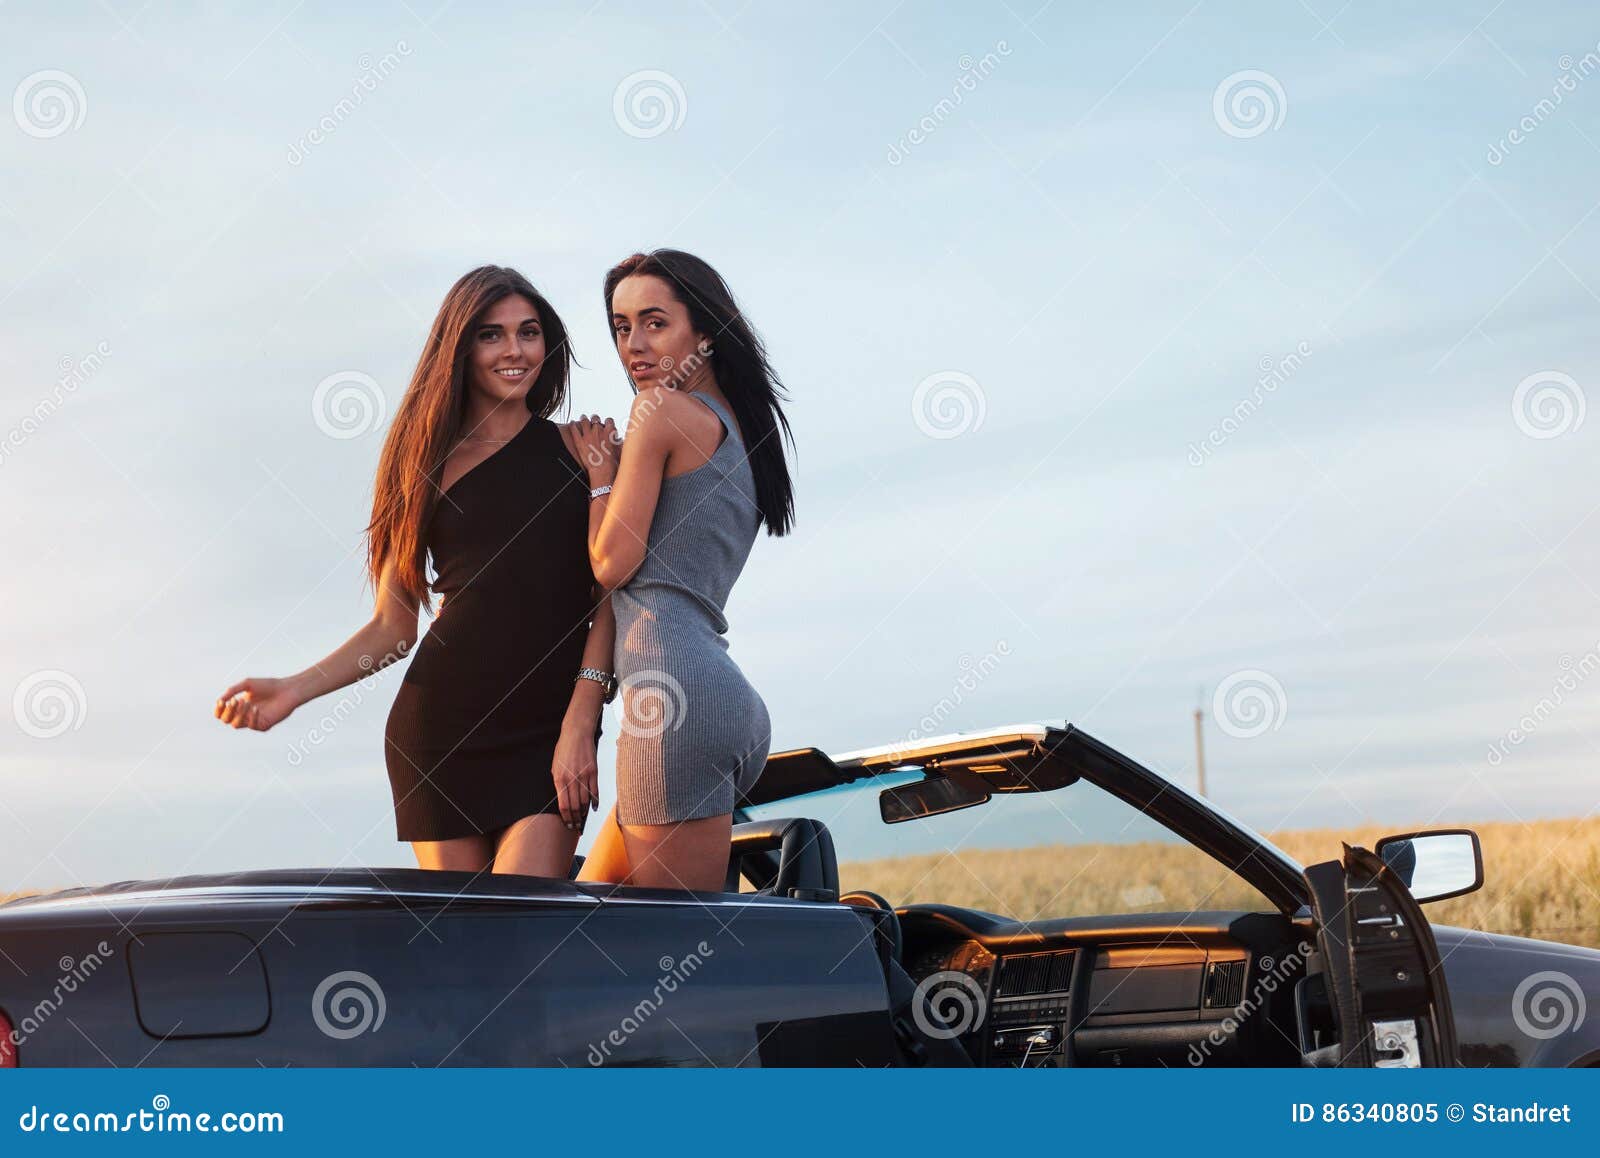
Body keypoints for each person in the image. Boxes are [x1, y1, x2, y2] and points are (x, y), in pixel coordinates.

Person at [213, 266, 618, 878]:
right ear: (460, 347)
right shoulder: (420, 465)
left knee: (527, 939)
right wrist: (294, 688)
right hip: (440, 733)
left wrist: (582, 720)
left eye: (529, 332)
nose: (514, 350)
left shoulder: (585, 451)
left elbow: (611, 591)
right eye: (491, 335)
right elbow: (393, 629)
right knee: (463, 956)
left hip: (550, 729)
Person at [572, 249, 795, 892]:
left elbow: (613, 564)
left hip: (669, 701)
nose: (633, 345)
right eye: (620, 327)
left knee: (675, 962)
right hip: (707, 694)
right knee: (589, 919)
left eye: (654, 323)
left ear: (704, 334)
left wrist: (600, 479)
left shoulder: (660, 413)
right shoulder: (742, 434)